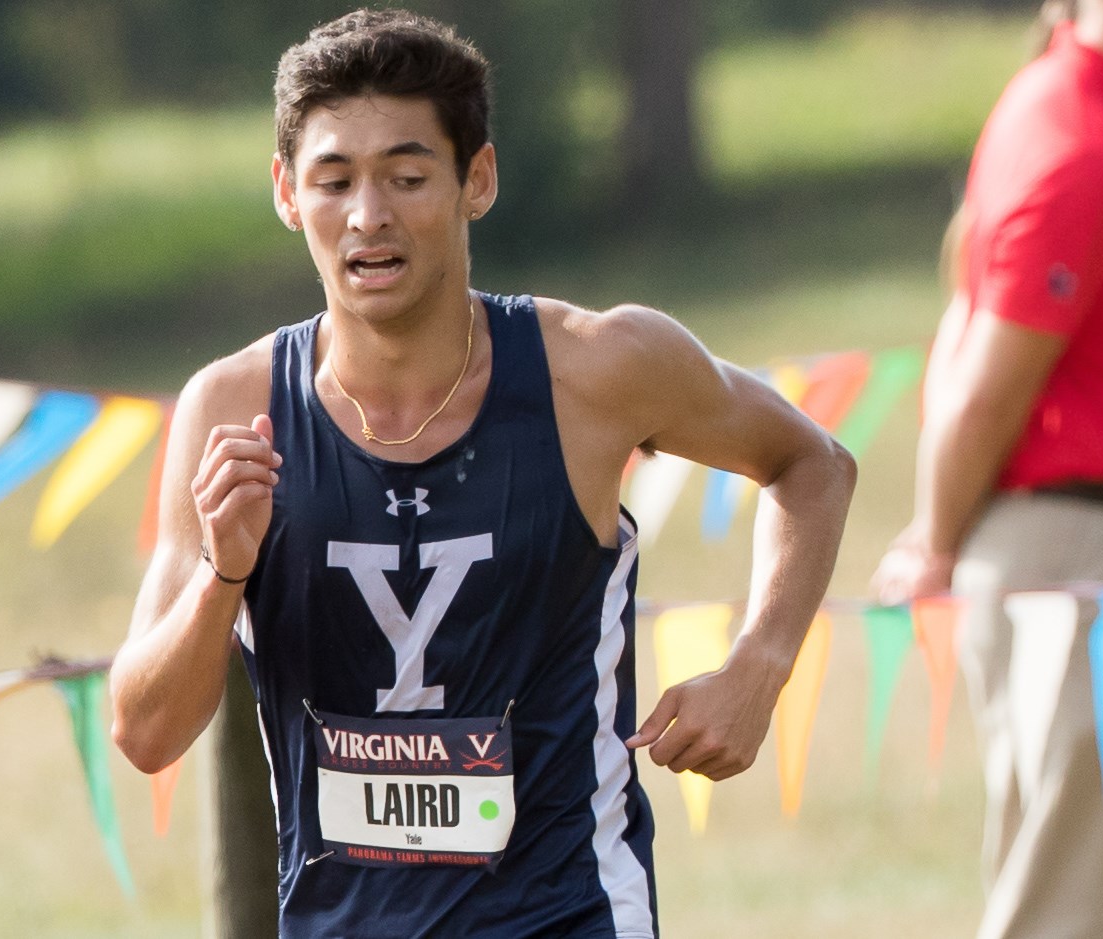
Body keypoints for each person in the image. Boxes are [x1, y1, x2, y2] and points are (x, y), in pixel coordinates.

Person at [107, 10, 856, 937]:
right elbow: (144, 732)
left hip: (570, 914)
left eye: (407, 176)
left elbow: (812, 463)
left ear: (479, 180)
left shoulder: (598, 368)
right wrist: (225, 572)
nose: (368, 215)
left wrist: (761, 663)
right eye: (334, 179)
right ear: (286, 194)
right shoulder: (232, 408)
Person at [870, 1, 1103, 936]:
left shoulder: (1068, 109)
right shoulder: (1084, 143)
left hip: (1065, 546)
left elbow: (964, 333)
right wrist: (933, 535)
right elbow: (988, 381)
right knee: (1066, 902)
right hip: (1075, 553)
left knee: (1067, 878)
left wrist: (938, 527)